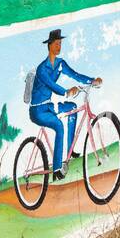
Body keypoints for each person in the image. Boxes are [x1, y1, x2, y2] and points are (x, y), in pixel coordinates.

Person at [27, 29, 100, 181]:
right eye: (56, 44)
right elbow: (51, 85)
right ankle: (57, 170)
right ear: (50, 46)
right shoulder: (42, 69)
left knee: (72, 107)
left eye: (60, 43)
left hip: (48, 105)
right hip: (37, 110)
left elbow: (75, 74)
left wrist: (92, 81)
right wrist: (67, 92)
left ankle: (69, 149)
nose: (59, 46)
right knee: (59, 126)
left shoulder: (60, 64)